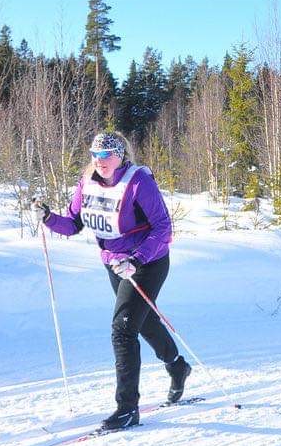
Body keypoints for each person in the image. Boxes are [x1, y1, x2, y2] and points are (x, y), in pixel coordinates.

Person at [33, 131, 191, 430]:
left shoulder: (138, 182)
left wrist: (137, 259)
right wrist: (48, 217)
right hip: (115, 265)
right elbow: (73, 223)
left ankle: (127, 408)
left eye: (106, 155)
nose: (99, 160)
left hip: (148, 262)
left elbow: (163, 228)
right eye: (95, 154)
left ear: (121, 156)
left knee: (122, 330)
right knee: (143, 323)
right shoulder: (87, 183)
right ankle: (178, 367)